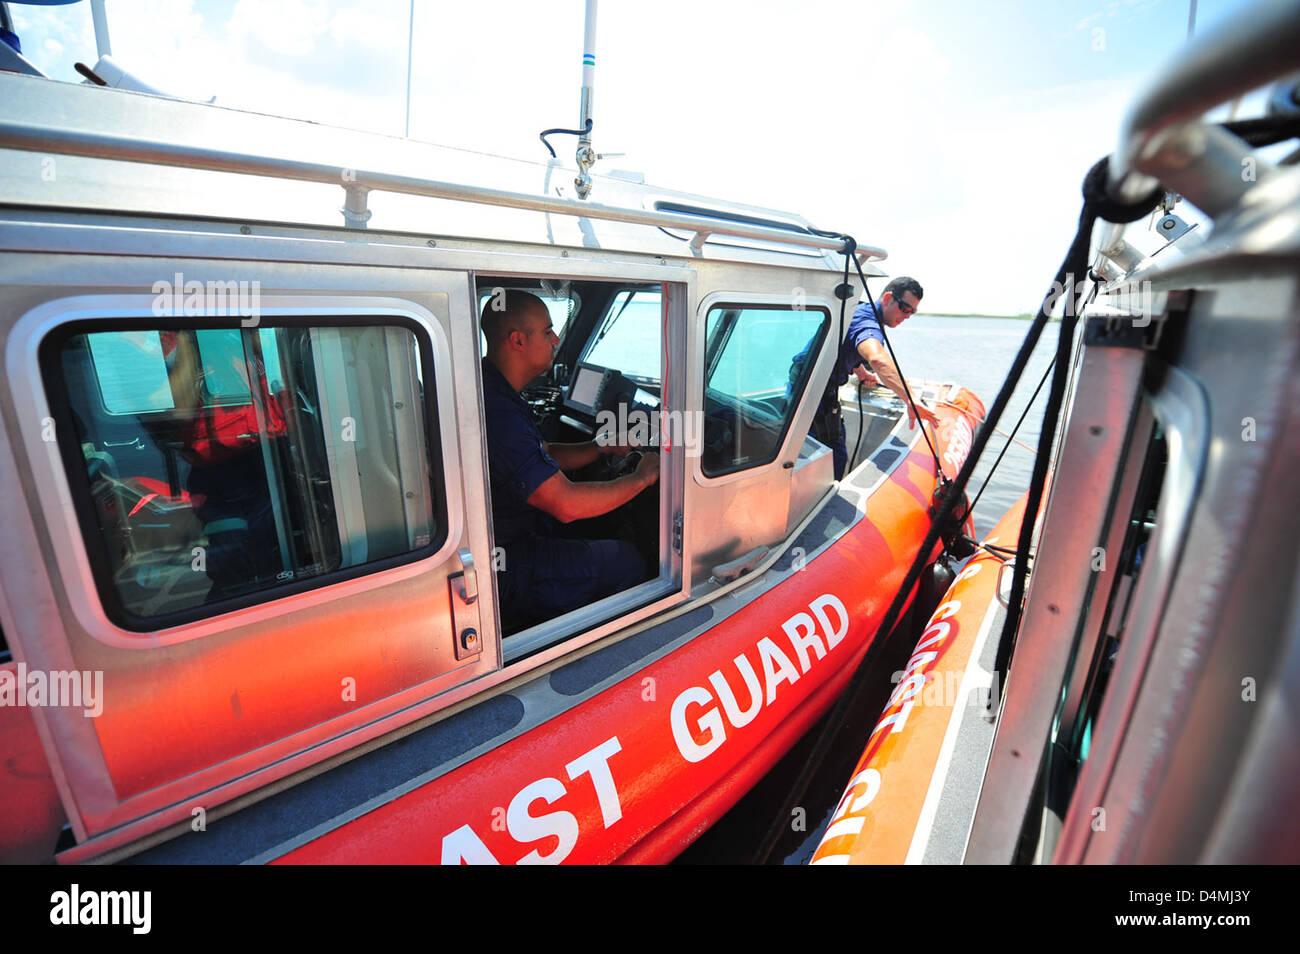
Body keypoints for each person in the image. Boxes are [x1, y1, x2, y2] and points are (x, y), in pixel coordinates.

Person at [481, 290, 659, 626]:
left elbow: (544, 453)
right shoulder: (499, 414)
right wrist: (641, 478)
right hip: (505, 563)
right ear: (518, 340)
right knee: (627, 561)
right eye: (548, 331)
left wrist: (600, 446)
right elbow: (566, 505)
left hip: (506, 535)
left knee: (592, 529)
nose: (556, 339)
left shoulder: (493, 388)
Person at [808, 275, 940, 479]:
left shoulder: (860, 309)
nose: (907, 316)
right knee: (836, 458)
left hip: (807, 382)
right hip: (816, 394)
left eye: (912, 312)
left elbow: (845, 345)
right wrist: (911, 399)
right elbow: (878, 359)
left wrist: (861, 372)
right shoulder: (867, 323)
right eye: (905, 309)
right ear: (888, 298)